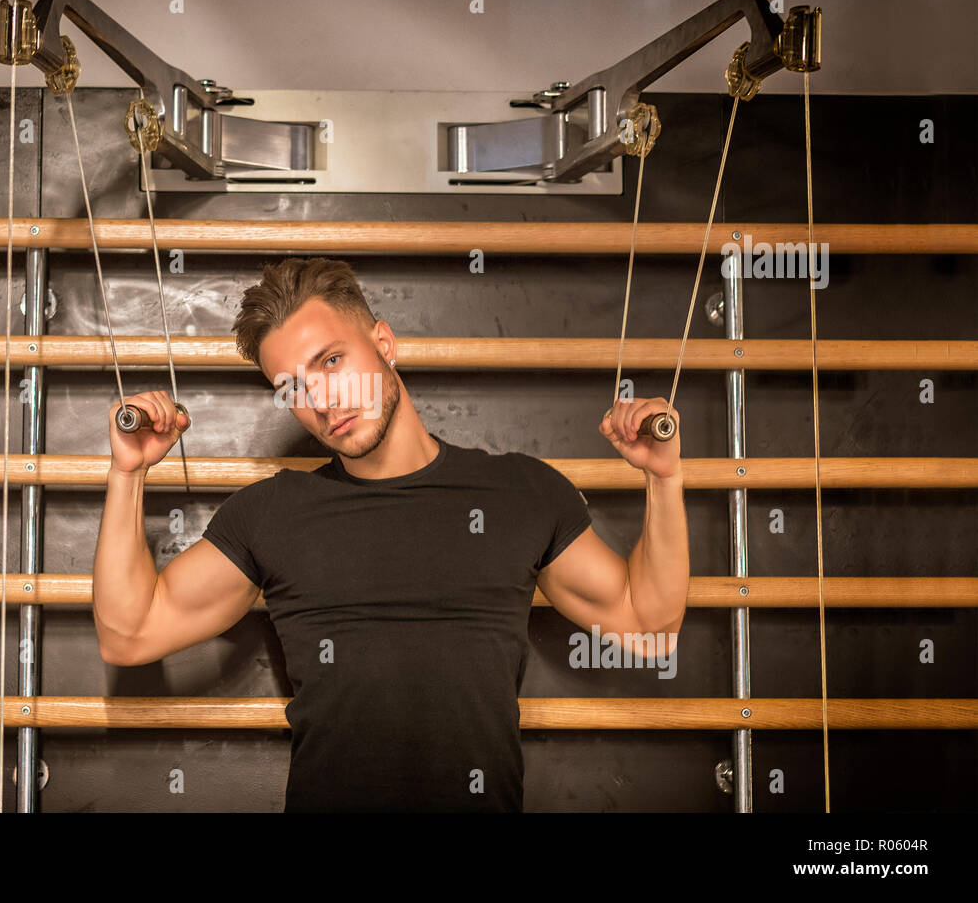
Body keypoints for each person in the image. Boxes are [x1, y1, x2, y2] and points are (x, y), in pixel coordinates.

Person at [92, 257, 689, 812]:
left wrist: (663, 477)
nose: (322, 400)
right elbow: (130, 633)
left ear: (383, 342)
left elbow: (647, 625)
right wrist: (127, 472)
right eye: (294, 387)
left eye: (331, 361)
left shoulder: (521, 493)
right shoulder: (271, 513)